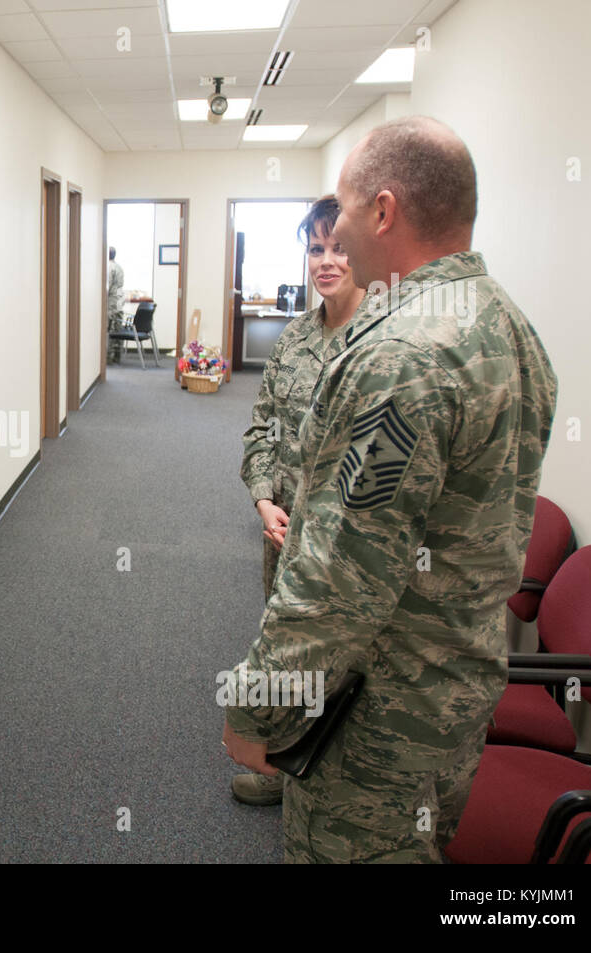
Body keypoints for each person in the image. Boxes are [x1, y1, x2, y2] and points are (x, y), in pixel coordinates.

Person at [221, 116, 557, 862]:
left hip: (376, 712)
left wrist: (259, 704)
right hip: (456, 683)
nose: (334, 228)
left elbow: (342, 577)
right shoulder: (507, 325)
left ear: (384, 209)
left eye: (341, 208)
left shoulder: (402, 355)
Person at [232, 196, 366, 807]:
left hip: (351, 551)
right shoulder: (292, 342)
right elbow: (261, 427)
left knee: (346, 663)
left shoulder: (384, 345)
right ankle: (283, 765)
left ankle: (332, 788)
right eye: (316, 249)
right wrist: (264, 499)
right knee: (287, 649)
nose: (327, 261)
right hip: (283, 533)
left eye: (339, 247)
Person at [107, 246, 125, 363]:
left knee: (108, 327)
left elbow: (107, 286)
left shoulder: (109, 267)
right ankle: (117, 356)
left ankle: (108, 357)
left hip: (111, 301)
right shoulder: (119, 267)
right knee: (117, 327)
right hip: (119, 300)